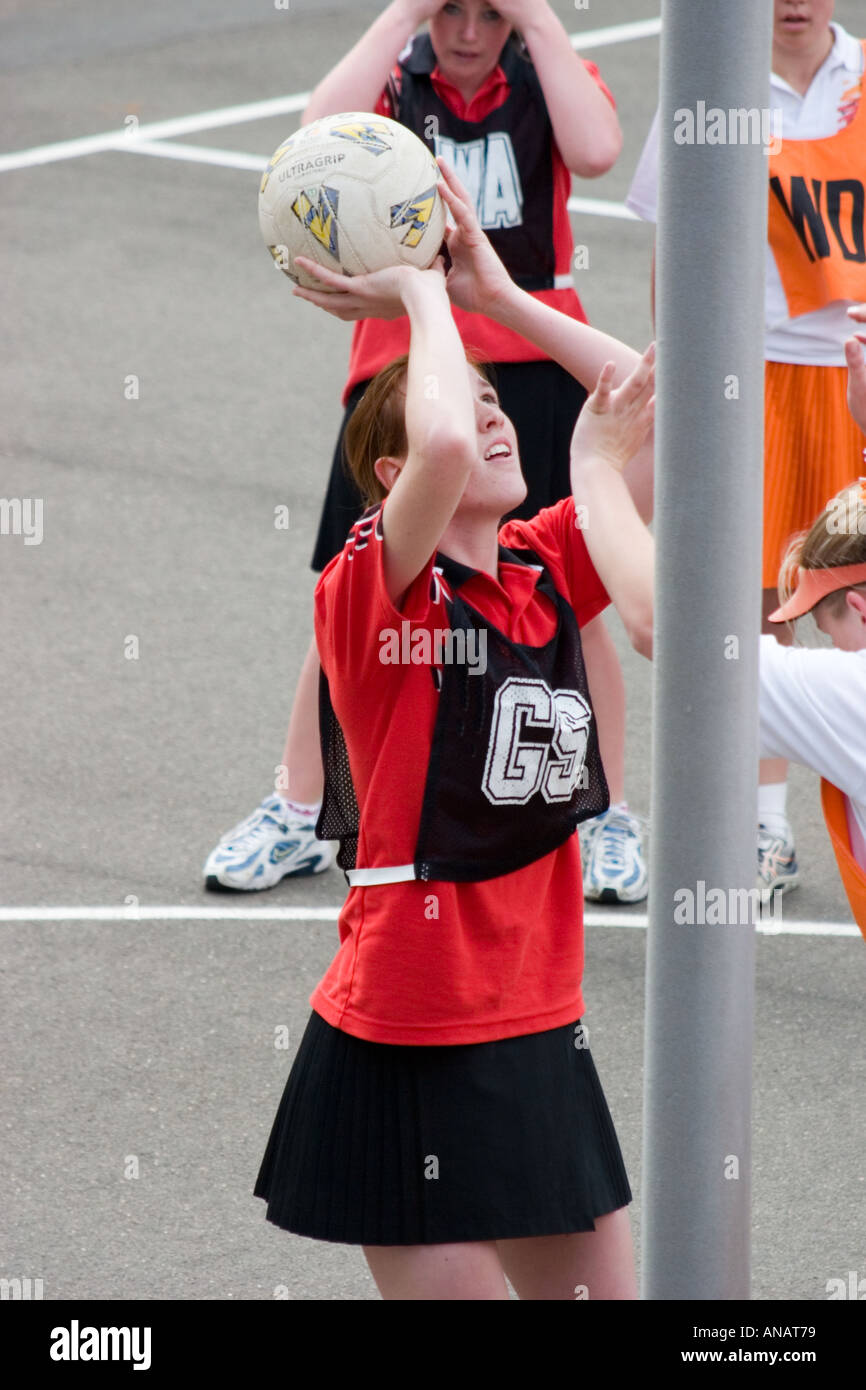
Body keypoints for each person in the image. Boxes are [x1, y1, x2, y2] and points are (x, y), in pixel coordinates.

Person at [253, 159, 655, 1300]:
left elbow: (640, 404)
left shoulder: (544, 564)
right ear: (384, 480)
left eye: (494, 405)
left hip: (538, 1019)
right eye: (466, 402)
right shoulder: (366, 590)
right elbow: (432, 447)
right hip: (405, 1030)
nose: (486, 418)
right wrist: (416, 299)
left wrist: (492, 298)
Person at [205, 0, 652, 904]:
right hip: (404, 361)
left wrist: (542, 23)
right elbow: (313, 127)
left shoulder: (539, 75)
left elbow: (599, 148)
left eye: (492, 13)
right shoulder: (394, 83)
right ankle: (300, 804)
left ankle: (603, 809)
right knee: (354, 586)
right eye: (451, 9)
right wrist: (401, 10)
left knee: (569, 594)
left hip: (529, 359)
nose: (468, 29)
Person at [624, 0, 866, 902]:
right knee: (757, 603)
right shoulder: (708, 83)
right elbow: (671, 239)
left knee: (853, 600)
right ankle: (764, 832)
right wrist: (680, 372)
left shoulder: (864, 77)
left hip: (854, 378)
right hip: (752, 376)